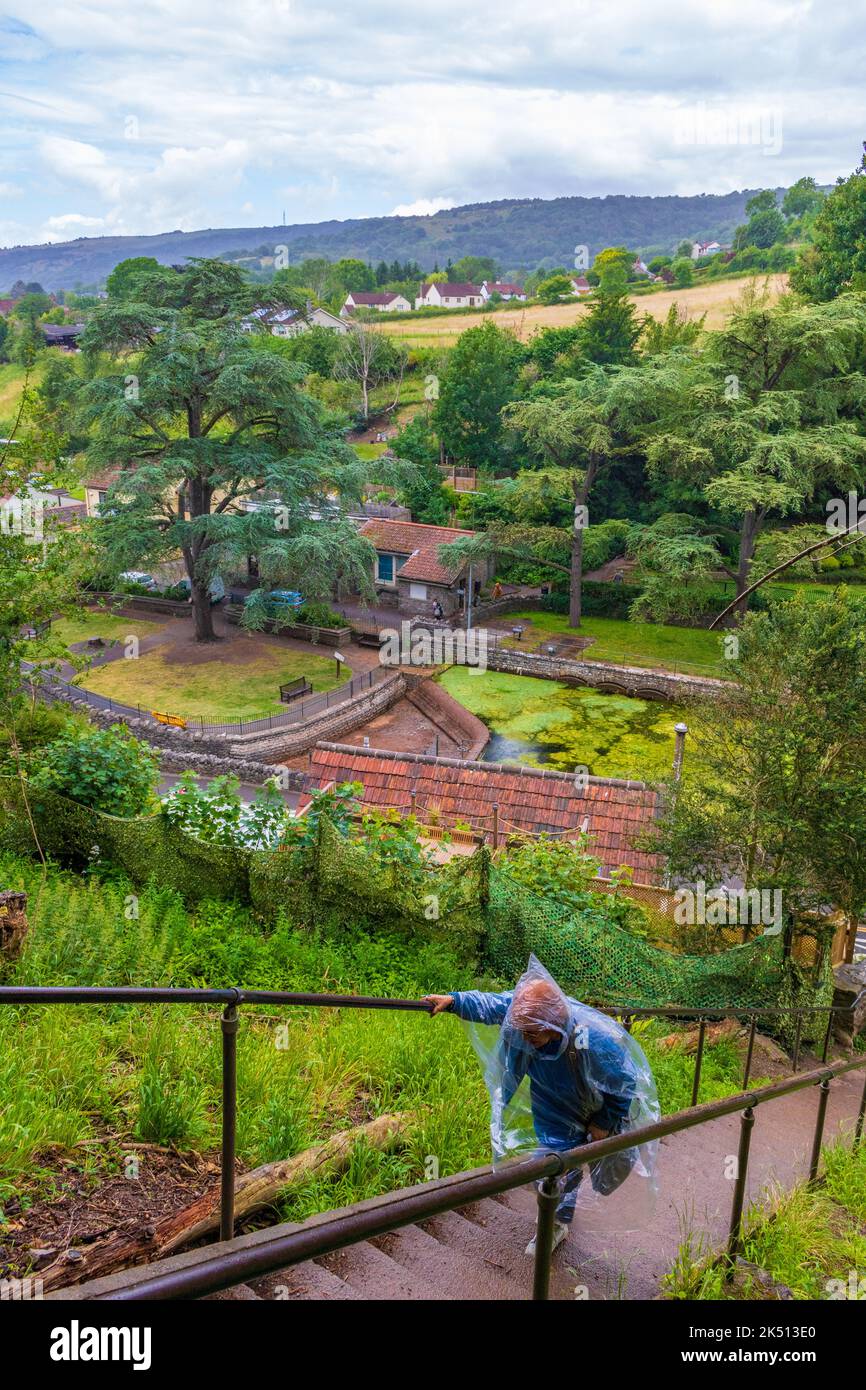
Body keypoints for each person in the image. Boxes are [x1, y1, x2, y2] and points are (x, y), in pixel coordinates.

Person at [425, 958, 655, 1256]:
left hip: (591, 1108)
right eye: (521, 1030)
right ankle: (557, 1221)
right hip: (551, 1109)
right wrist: (454, 1001)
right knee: (550, 1168)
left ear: (554, 1026)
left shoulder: (594, 1040)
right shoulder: (525, 1014)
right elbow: (493, 1004)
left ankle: (555, 1222)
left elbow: (624, 1082)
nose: (523, 1038)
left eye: (532, 1033)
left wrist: (603, 1121)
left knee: (584, 1166)